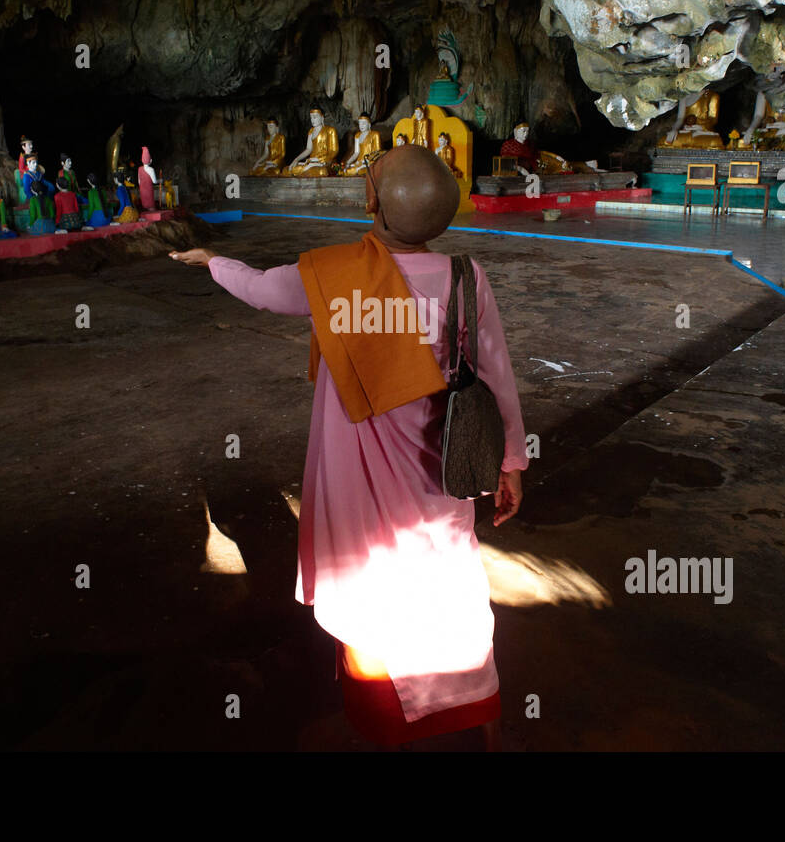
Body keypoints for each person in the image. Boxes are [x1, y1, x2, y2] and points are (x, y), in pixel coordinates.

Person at [172, 144, 528, 749]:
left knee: (372, 593)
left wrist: (212, 259)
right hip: (439, 475)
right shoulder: (467, 279)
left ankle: (387, 727)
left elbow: (261, 289)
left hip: (360, 486)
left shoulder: (333, 276)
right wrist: (511, 462)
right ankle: (476, 720)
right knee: (450, 590)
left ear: (372, 202)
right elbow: (496, 374)